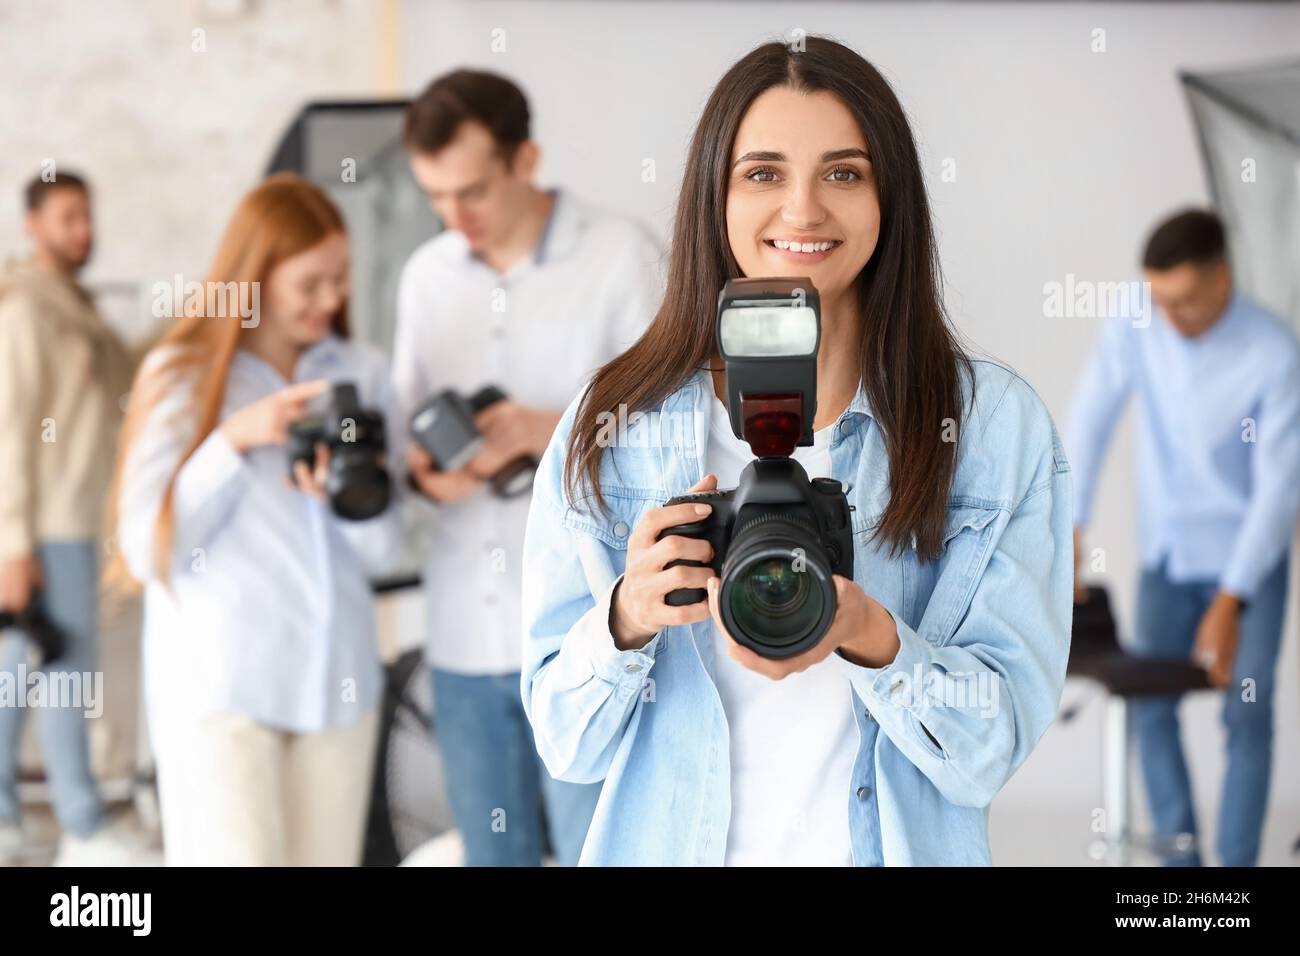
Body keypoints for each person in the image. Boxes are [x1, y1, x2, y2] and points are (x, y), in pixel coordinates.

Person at [520, 36, 1073, 866]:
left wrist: (869, 633)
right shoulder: (615, 428)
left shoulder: (991, 428)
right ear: (716, 194)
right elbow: (567, 748)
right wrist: (626, 620)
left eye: (844, 173)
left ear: (891, 197)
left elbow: (990, 749)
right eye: (764, 173)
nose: (804, 211)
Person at [393, 69, 662, 866]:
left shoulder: (622, 259)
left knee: (599, 851)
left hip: (592, 631)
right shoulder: (426, 277)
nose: (454, 216)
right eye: (435, 196)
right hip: (464, 634)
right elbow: (411, 438)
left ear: (526, 159)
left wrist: (539, 431)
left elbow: (672, 436)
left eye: (471, 190)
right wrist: (427, 474)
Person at [110, 173, 404, 865]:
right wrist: (233, 441)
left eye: (341, 279)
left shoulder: (360, 374)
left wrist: (343, 493)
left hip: (338, 690)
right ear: (255, 277)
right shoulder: (180, 376)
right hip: (224, 698)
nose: (331, 300)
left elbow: (385, 552)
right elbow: (147, 552)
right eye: (310, 284)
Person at [1068, 209, 1300, 867]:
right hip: (1167, 559)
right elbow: (1090, 420)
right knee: (1148, 708)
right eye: (1160, 299)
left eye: (1187, 300)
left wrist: (1230, 602)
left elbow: (1279, 490)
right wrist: (1072, 524)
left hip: (1251, 562)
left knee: (1247, 717)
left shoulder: (1275, 353)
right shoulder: (1137, 321)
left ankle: (1235, 877)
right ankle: (1184, 871)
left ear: (1223, 278)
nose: (1171, 316)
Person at [0, 171, 137, 865]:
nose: (82, 230)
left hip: (75, 520)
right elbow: (10, 430)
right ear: (34, 224)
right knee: (62, 669)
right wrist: (14, 545)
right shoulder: (26, 310)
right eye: (67, 217)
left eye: (87, 215)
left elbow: (127, 378)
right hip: (49, 528)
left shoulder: (74, 308)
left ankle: (9, 815)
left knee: (23, 667)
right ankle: (81, 821)